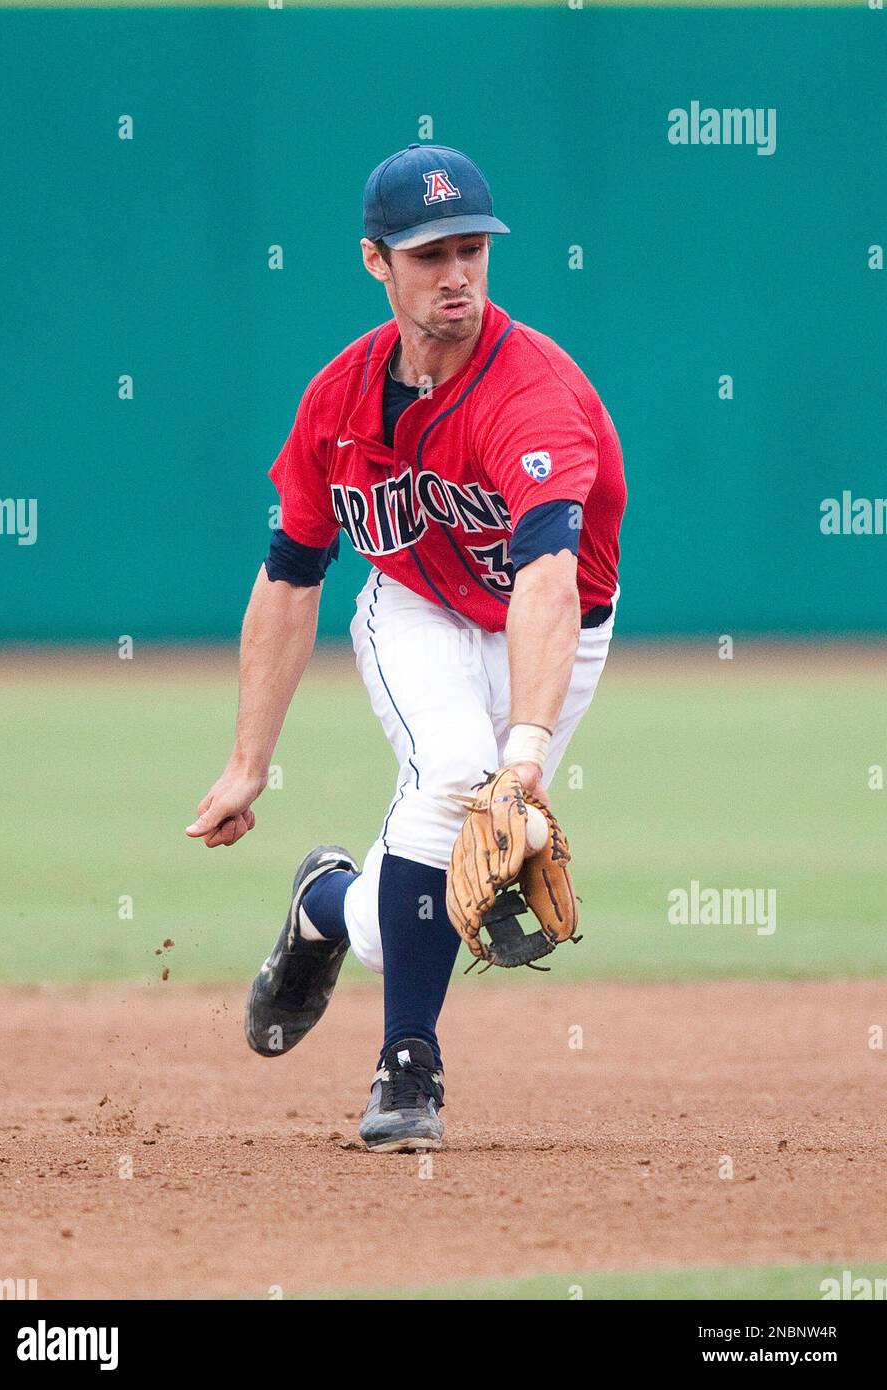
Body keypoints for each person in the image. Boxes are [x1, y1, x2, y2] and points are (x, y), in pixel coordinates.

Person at [186, 143, 627, 1152]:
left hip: (553, 626)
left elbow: (546, 583)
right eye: (428, 254)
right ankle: (407, 1070)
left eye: (469, 248)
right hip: (416, 605)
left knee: (426, 903)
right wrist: (248, 763)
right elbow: (291, 579)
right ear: (374, 261)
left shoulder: (533, 393)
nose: (455, 274)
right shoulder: (335, 404)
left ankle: (325, 906)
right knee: (457, 784)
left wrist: (527, 748)